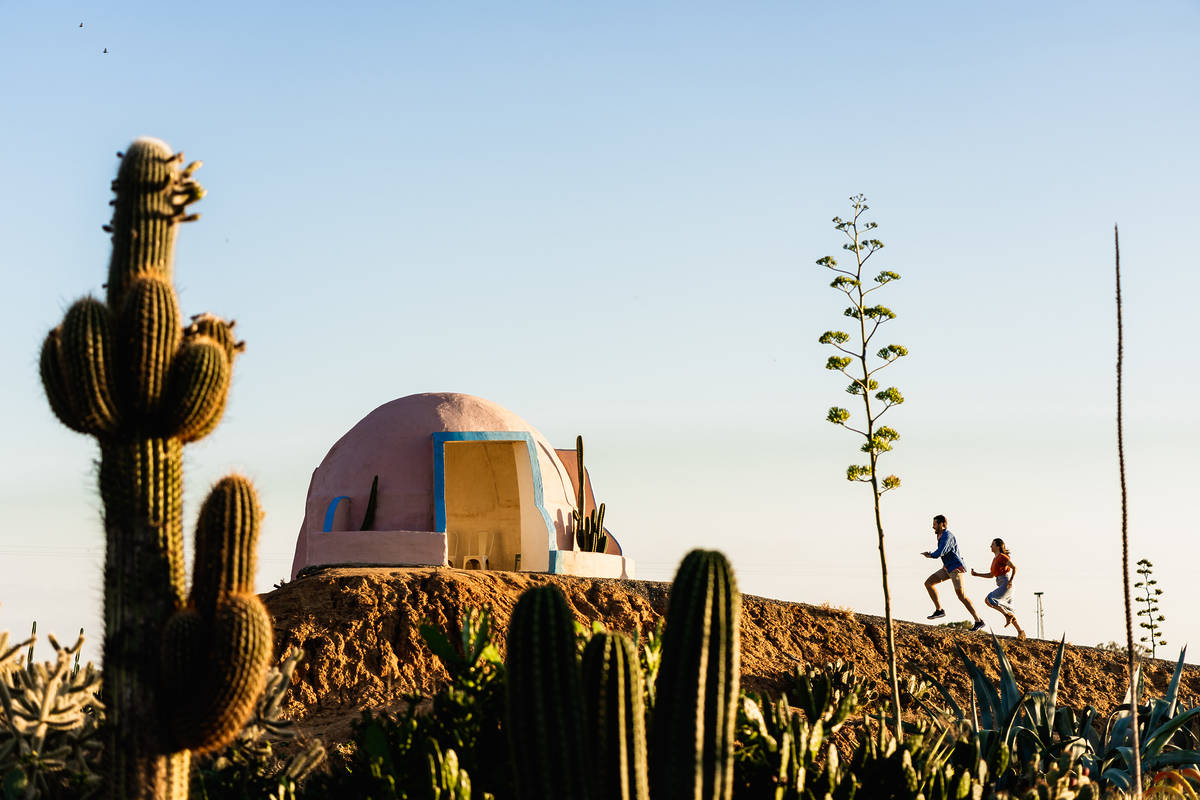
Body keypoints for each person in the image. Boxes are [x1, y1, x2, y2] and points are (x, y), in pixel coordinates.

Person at [921, 514, 985, 631]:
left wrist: (931, 555)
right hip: (947, 568)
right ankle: (939, 610)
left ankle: (978, 620)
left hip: (956, 569)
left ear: (942, 524)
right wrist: (932, 555)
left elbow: (941, 551)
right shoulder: (940, 535)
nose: (933, 527)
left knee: (961, 596)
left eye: (935, 524)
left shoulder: (947, 536)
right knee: (928, 583)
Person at [971, 538, 1026, 639]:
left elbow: (1014, 567)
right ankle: (1020, 631)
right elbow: (991, 575)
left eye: (992, 544)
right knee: (1006, 609)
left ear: (998, 546)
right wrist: (977, 574)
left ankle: (1007, 616)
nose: (990, 546)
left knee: (989, 600)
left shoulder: (1002, 557)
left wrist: (1010, 581)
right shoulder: (995, 559)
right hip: (1002, 584)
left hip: (1006, 583)